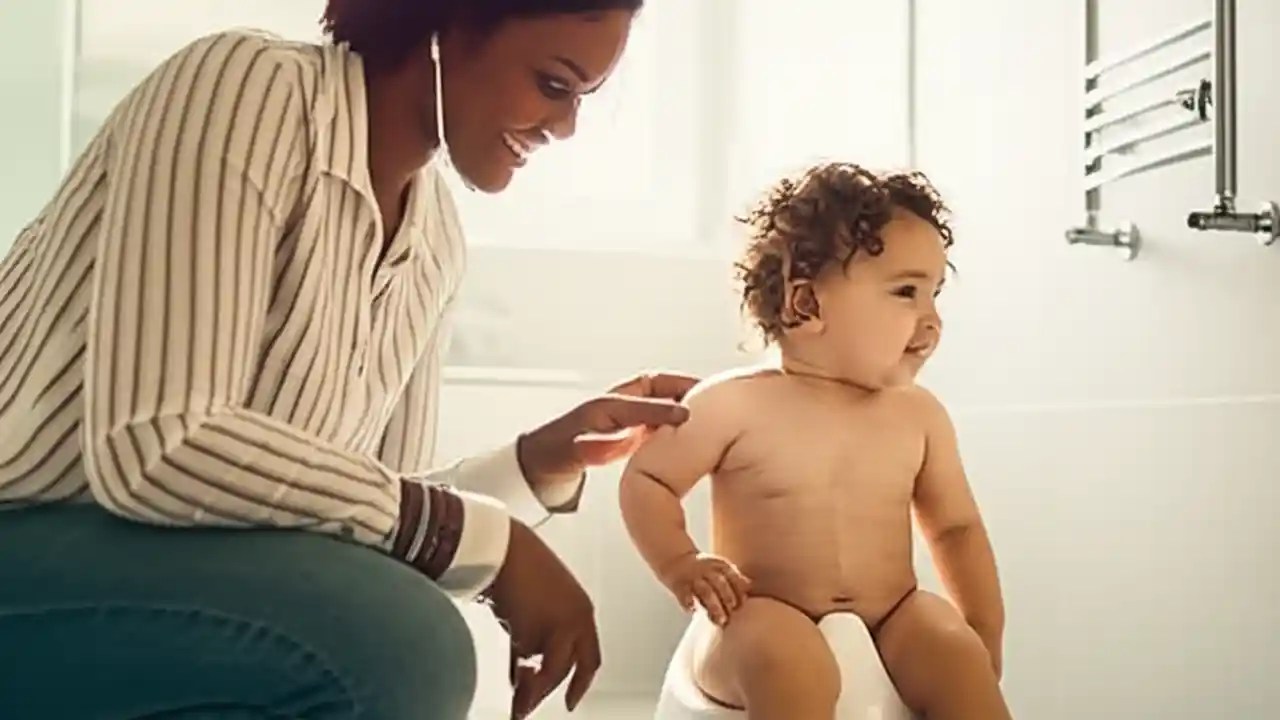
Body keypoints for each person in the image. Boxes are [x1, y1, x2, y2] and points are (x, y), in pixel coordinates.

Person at [0, 1, 691, 718]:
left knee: (396, 613)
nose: (566, 127)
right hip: (23, 532)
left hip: (141, 568)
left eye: (581, 98)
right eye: (553, 84)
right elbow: (157, 444)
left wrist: (536, 463)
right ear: (446, 26)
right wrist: (487, 542)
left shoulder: (434, 242)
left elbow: (371, 510)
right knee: (403, 641)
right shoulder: (248, 90)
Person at [619, 162, 1011, 720]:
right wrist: (680, 563)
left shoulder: (918, 416)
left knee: (950, 648)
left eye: (935, 295)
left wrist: (981, 631)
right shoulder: (733, 404)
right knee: (787, 658)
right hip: (755, 617)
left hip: (890, 615)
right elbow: (649, 478)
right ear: (807, 305)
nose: (932, 320)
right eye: (906, 292)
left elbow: (956, 528)